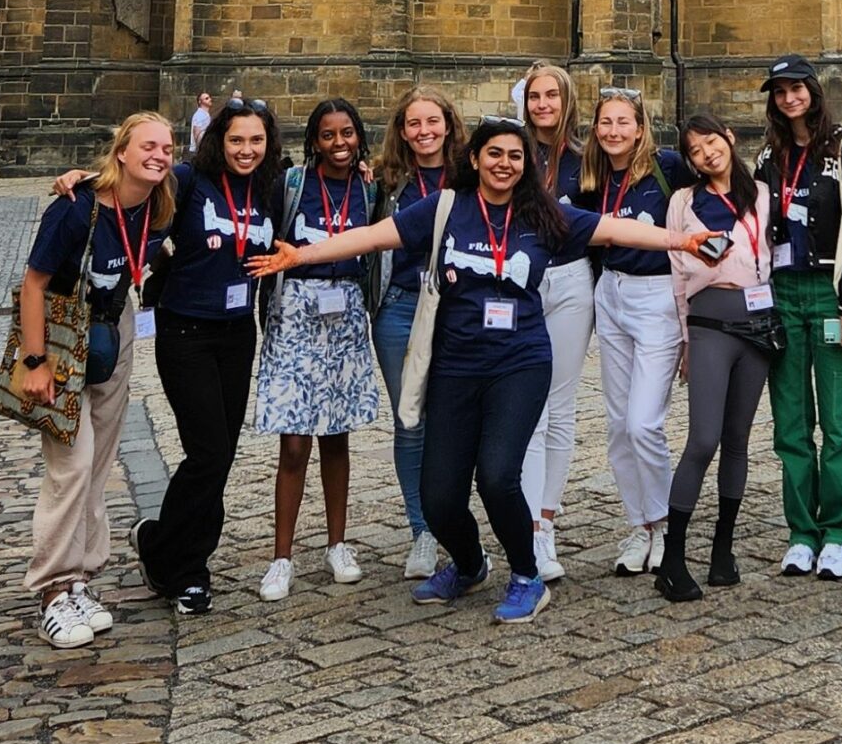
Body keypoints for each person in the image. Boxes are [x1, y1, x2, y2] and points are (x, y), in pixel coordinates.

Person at [250, 115, 711, 623]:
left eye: (515, 156)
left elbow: (613, 229)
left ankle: (526, 575)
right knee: (439, 496)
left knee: (497, 477)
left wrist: (681, 242)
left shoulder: (543, 215)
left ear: (525, 166)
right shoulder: (448, 207)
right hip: (455, 366)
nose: (505, 164)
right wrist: (302, 256)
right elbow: (376, 236)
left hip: (520, 364)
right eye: (495, 154)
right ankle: (470, 565)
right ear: (474, 158)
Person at [18, 111, 175, 649]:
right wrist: (34, 364)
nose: (158, 155)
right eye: (148, 146)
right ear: (121, 153)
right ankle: (51, 593)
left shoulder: (156, 207)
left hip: (114, 331)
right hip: (63, 336)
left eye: (167, 148)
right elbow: (33, 284)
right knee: (72, 464)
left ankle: (81, 579)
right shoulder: (76, 207)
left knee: (99, 466)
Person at [133, 101, 283, 611]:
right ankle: (188, 570)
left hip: (239, 334)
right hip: (185, 332)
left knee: (218, 455)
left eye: (256, 141)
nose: (246, 150)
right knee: (209, 453)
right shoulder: (187, 180)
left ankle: (158, 543)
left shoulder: (270, 189)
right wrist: (78, 180)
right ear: (218, 139)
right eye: (237, 140)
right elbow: (132, 182)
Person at [753, 54, 842, 581]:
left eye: (796, 89)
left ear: (813, 90)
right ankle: (801, 533)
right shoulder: (767, 156)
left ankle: (837, 531)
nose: (789, 99)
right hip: (782, 294)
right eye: (780, 92)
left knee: (837, 423)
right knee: (789, 424)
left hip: (832, 296)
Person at [253, 97, 383, 601]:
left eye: (347, 133)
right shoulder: (291, 186)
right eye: (328, 135)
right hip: (297, 314)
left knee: (337, 436)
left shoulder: (371, 188)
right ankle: (281, 557)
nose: (340, 143)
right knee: (293, 443)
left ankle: (337, 544)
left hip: (346, 313)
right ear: (314, 140)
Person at [655, 112, 777, 601]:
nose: (707, 153)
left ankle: (723, 549)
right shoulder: (684, 202)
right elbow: (678, 277)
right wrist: (686, 339)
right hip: (709, 325)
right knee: (702, 440)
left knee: (738, 440)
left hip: (756, 326)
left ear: (729, 137)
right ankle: (672, 557)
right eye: (695, 150)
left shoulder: (762, 194)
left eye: (712, 141)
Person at [580, 88, 687, 573]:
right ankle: (637, 526)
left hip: (658, 296)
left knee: (645, 421)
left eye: (624, 123)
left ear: (641, 128)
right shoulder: (593, 176)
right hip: (612, 294)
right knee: (619, 424)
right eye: (606, 123)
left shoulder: (668, 167)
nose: (614, 132)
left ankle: (665, 524)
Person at [372, 85, 468, 579]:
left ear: (449, 125)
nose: (424, 131)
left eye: (433, 122)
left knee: (452, 421)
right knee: (410, 420)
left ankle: (453, 523)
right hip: (401, 309)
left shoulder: (470, 175)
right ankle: (421, 531)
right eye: (414, 123)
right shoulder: (385, 181)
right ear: (402, 131)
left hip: (457, 310)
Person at [517, 60, 592, 581]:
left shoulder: (587, 161)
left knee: (561, 407)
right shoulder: (511, 152)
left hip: (571, 283)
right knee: (530, 408)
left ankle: (546, 524)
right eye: (535, 97)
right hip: (521, 286)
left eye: (552, 96)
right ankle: (527, 528)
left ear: (566, 101)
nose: (544, 105)